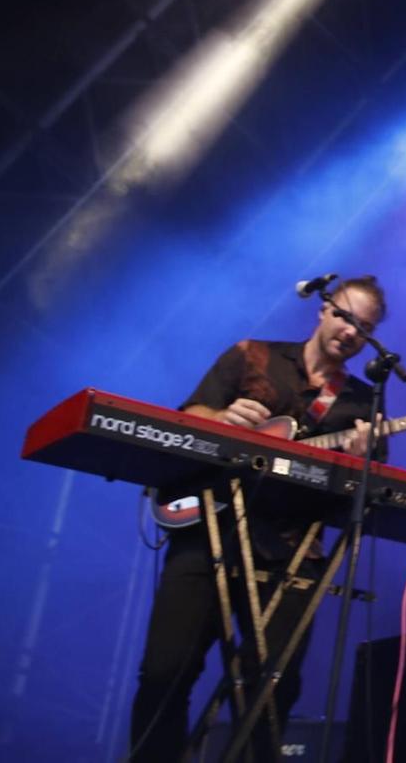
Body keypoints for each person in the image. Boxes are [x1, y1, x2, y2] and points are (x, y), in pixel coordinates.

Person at [126, 276, 387, 763]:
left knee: (273, 685)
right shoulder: (252, 355)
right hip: (210, 530)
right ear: (323, 311)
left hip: (293, 548)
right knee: (165, 671)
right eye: (345, 317)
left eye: (365, 329)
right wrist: (221, 419)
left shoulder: (362, 401)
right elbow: (188, 416)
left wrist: (359, 459)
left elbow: (369, 493)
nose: (352, 332)